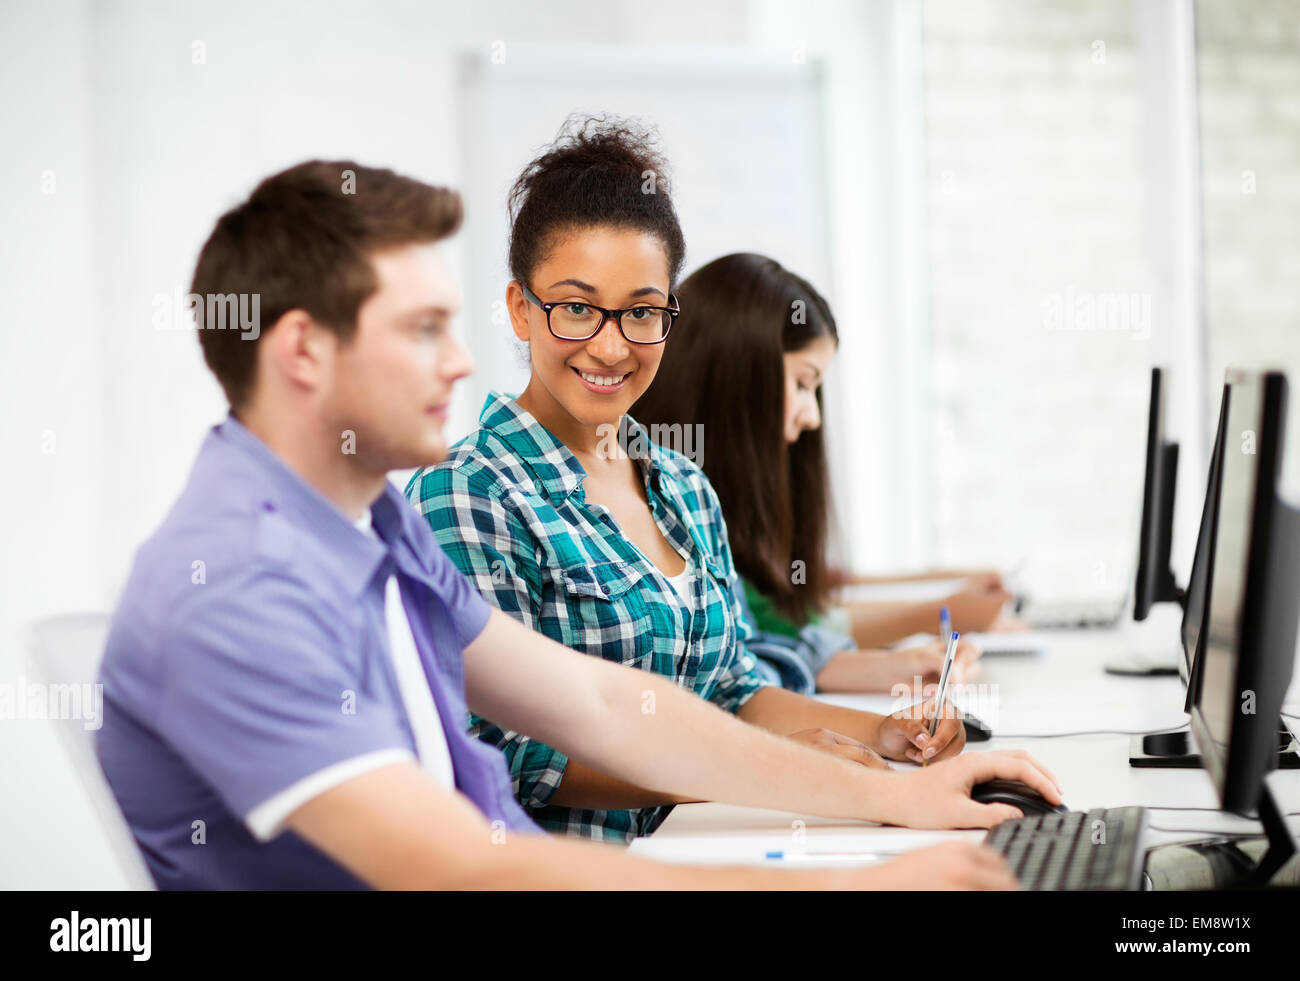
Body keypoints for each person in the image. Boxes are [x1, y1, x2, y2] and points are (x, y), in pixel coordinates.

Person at [95, 158, 1056, 890]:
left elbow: (600, 706)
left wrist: (899, 794)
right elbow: (467, 869)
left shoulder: (371, 522)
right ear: (302, 350)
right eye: (424, 329)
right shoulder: (238, 582)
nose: (463, 361)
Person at [406, 117, 1031, 842]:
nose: (610, 344)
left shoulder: (684, 487)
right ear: (521, 309)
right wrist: (766, 771)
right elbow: (503, 755)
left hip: (705, 843)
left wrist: (884, 734)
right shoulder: (468, 493)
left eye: (641, 311)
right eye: (577, 307)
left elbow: (732, 691)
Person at [632, 253, 993, 694]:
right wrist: (941, 610)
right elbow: (768, 643)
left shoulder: (712, 496)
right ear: (740, 378)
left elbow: (762, 648)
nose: (812, 417)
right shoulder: (657, 496)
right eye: (803, 384)